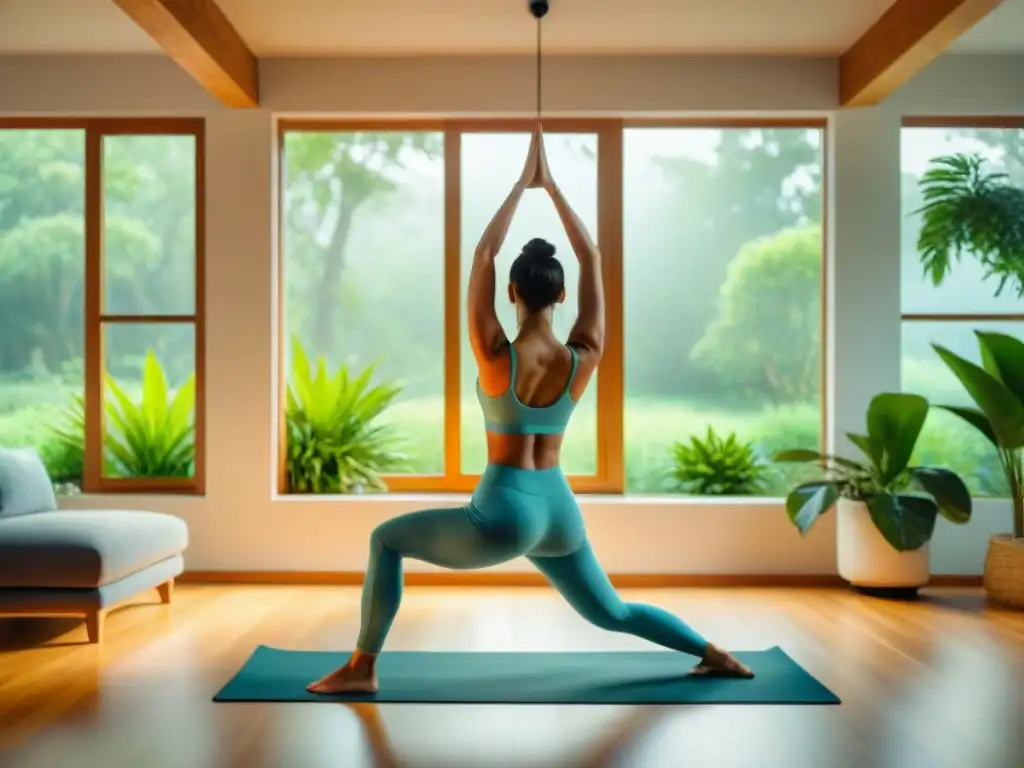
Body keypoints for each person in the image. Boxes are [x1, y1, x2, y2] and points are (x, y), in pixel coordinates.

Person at [307, 125, 754, 695]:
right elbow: (590, 254)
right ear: (561, 296)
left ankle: (361, 670)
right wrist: (555, 188)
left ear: (512, 293)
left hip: (502, 513)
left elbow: (484, 253)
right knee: (611, 611)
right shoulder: (583, 355)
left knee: (386, 540)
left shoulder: (496, 355)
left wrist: (523, 184)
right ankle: (715, 654)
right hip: (559, 511)